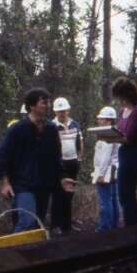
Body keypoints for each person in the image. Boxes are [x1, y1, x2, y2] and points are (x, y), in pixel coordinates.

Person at [0, 88, 75, 232]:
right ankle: (16, 253)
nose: (48, 105)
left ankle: (36, 254)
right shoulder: (17, 129)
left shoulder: (51, 128)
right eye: (44, 102)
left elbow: (56, 157)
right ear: (32, 106)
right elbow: (3, 156)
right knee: (27, 222)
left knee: (38, 224)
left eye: (48, 102)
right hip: (23, 185)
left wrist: (62, 178)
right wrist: (5, 183)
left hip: (44, 185)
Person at [112, 77, 137, 226]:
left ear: (128, 95)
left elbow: (129, 138)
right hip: (124, 155)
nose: (120, 101)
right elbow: (119, 132)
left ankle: (133, 228)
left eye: (121, 97)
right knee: (126, 195)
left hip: (133, 156)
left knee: (126, 195)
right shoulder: (122, 112)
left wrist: (112, 137)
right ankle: (132, 226)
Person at [49, 97, 83, 235]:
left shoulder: (75, 124)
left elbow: (80, 142)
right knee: (57, 194)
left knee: (69, 194)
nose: (61, 114)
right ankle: (55, 225)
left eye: (63, 111)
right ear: (55, 112)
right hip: (59, 164)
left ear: (68, 110)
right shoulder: (51, 126)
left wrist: (79, 158)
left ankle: (67, 225)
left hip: (73, 163)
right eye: (58, 111)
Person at [92, 106, 121, 231]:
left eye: (102, 119)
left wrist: (101, 174)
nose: (99, 121)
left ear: (108, 120)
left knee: (105, 201)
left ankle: (105, 227)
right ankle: (113, 225)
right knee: (113, 199)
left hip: (107, 170)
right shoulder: (114, 132)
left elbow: (105, 156)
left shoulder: (108, 134)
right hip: (114, 169)